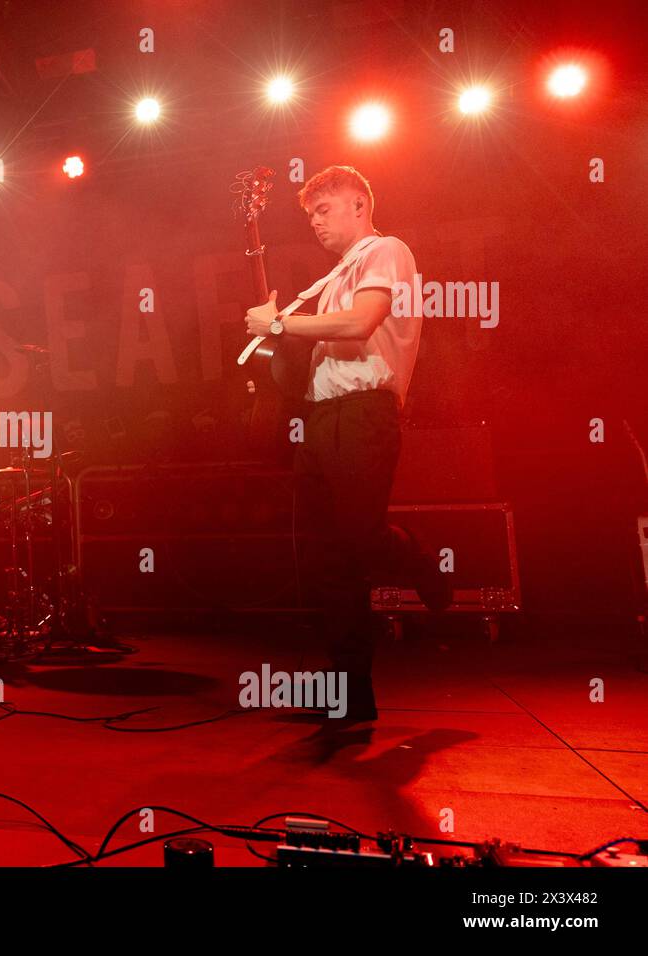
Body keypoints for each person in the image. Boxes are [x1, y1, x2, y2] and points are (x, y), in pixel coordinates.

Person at [244, 165, 449, 723]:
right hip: (321, 418)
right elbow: (307, 353)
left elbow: (360, 324)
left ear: (359, 205)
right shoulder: (332, 279)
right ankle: (351, 693)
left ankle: (418, 560)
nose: (315, 222)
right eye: (310, 214)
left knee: (360, 536)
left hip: (363, 414)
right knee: (329, 561)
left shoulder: (387, 251)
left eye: (324, 209)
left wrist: (281, 327)